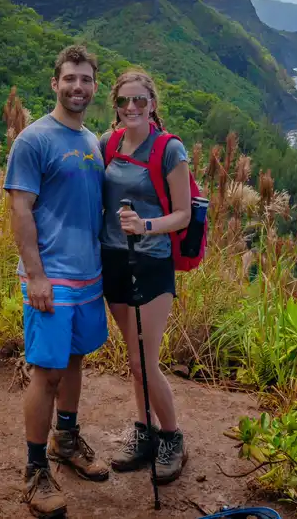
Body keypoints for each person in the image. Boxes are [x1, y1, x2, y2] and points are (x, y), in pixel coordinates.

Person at [3, 44, 111, 518]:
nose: (77, 87)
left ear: (94, 87)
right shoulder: (33, 140)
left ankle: (65, 439)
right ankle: (33, 470)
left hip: (89, 277)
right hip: (51, 279)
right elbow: (20, 209)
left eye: (86, 80)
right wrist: (37, 276)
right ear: (54, 83)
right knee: (46, 372)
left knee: (74, 361)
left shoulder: (91, 141)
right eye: (70, 78)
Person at [98, 68, 191, 484]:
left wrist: (146, 226)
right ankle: (143, 431)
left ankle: (171, 437)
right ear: (115, 107)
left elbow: (183, 213)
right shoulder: (108, 143)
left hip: (152, 262)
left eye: (140, 100)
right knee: (133, 361)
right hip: (113, 259)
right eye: (124, 101)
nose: (132, 107)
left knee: (142, 359)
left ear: (152, 103)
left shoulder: (170, 149)